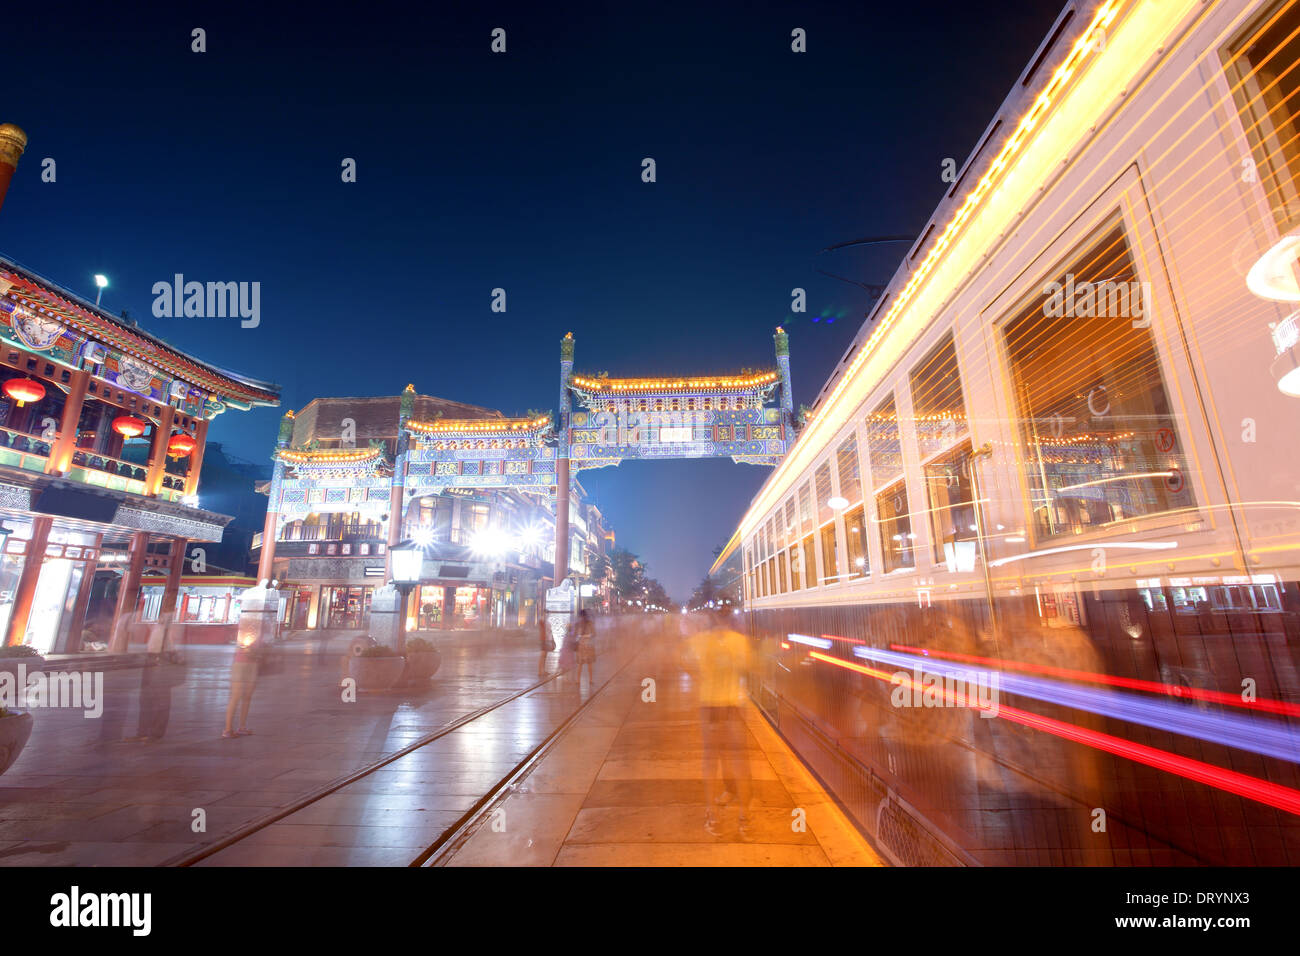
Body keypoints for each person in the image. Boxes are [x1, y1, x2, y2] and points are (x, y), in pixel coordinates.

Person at [684, 608, 754, 839]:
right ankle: (744, 818)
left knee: (710, 759)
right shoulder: (740, 641)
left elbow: (680, 658)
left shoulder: (702, 640)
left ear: (712, 619)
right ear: (730, 619)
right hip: (733, 706)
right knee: (740, 762)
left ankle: (712, 814)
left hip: (711, 706)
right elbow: (749, 668)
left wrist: (700, 676)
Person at [223, 635, 261, 738]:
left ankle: (242, 727)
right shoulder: (244, 625)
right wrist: (244, 647)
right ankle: (227, 729)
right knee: (236, 696)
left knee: (247, 696)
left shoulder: (260, 626)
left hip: (253, 663)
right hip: (240, 663)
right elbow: (236, 641)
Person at [575, 609, 596, 685]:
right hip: (588, 645)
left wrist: (580, 637)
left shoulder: (578, 624)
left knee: (580, 664)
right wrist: (588, 636)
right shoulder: (590, 623)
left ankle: (578, 680)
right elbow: (594, 633)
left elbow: (575, 635)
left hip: (582, 645)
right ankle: (590, 680)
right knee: (589, 663)